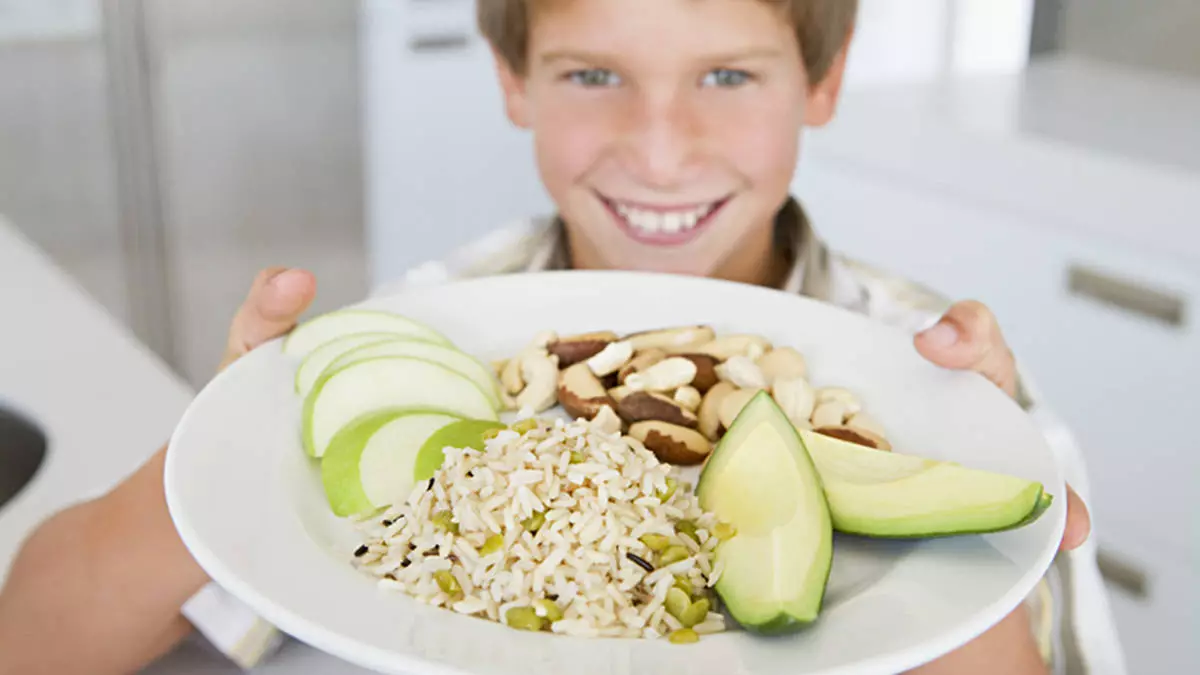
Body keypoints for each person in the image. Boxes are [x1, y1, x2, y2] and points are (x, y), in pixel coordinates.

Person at [0, 1, 1120, 673]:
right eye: (595, 75)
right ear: (512, 80)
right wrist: (231, 448)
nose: (663, 151)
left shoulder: (943, 374)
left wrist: (971, 526)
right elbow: (34, 645)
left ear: (822, 79)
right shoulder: (430, 335)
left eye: (727, 75)